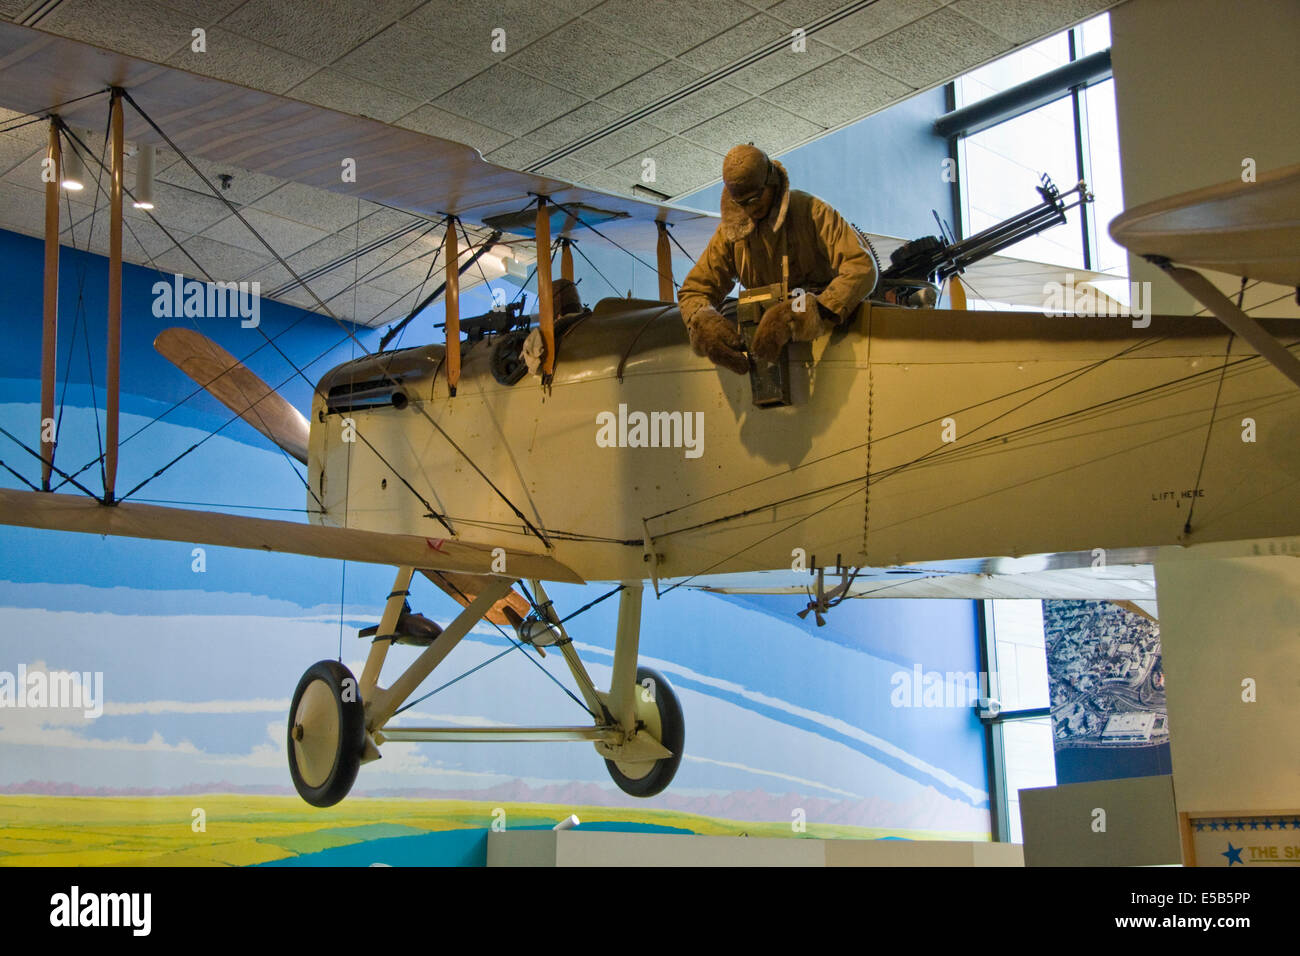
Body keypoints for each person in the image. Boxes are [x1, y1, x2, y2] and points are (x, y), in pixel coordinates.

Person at [677, 144, 878, 374]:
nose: (751, 209)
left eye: (755, 198)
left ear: (771, 181)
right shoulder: (729, 234)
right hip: (767, 357)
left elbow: (862, 267)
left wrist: (806, 313)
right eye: (742, 203)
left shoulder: (810, 211)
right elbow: (693, 291)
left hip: (828, 344)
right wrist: (704, 323)